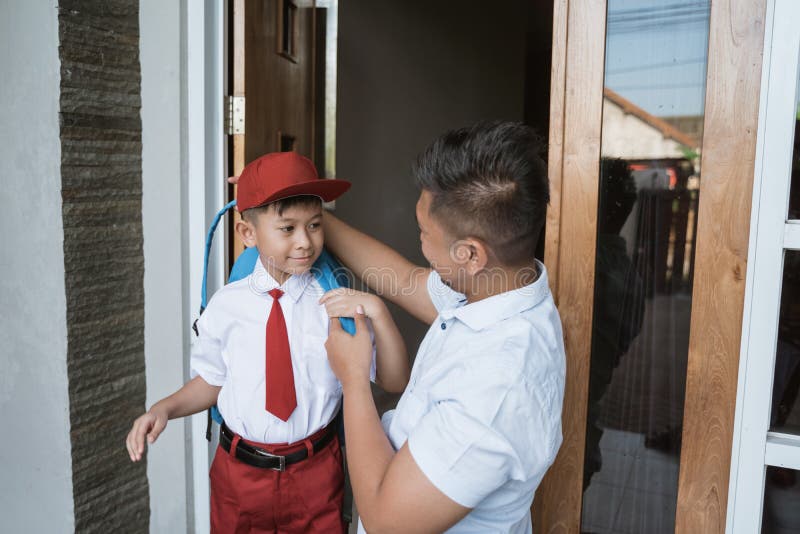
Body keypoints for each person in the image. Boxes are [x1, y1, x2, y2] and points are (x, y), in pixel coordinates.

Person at [125, 151, 410, 533]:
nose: (305, 242)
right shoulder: (226, 306)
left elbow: (394, 380)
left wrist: (378, 311)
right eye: (287, 229)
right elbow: (212, 381)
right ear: (248, 234)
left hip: (316, 474)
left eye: (314, 225)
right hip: (238, 475)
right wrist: (165, 408)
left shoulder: (334, 304)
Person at [322, 121, 566, 533]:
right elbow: (408, 281)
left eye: (423, 232)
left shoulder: (496, 389)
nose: (419, 242)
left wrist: (354, 382)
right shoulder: (499, 285)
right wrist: (314, 217)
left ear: (470, 254)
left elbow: (386, 520)